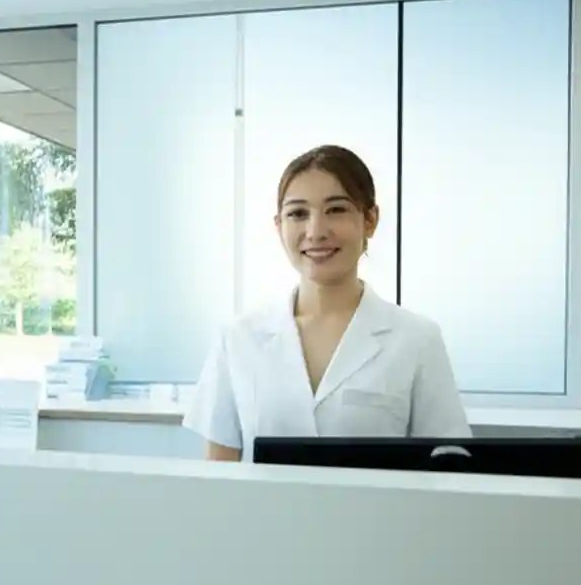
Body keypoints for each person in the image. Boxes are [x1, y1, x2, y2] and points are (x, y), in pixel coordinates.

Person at [183, 145, 471, 461]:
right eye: (298, 213)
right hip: (265, 513)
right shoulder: (238, 338)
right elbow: (219, 478)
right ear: (279, 226)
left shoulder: (417, 339)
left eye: (336, 210)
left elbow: (449, 472)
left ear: (371, 220)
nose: (316, 231)